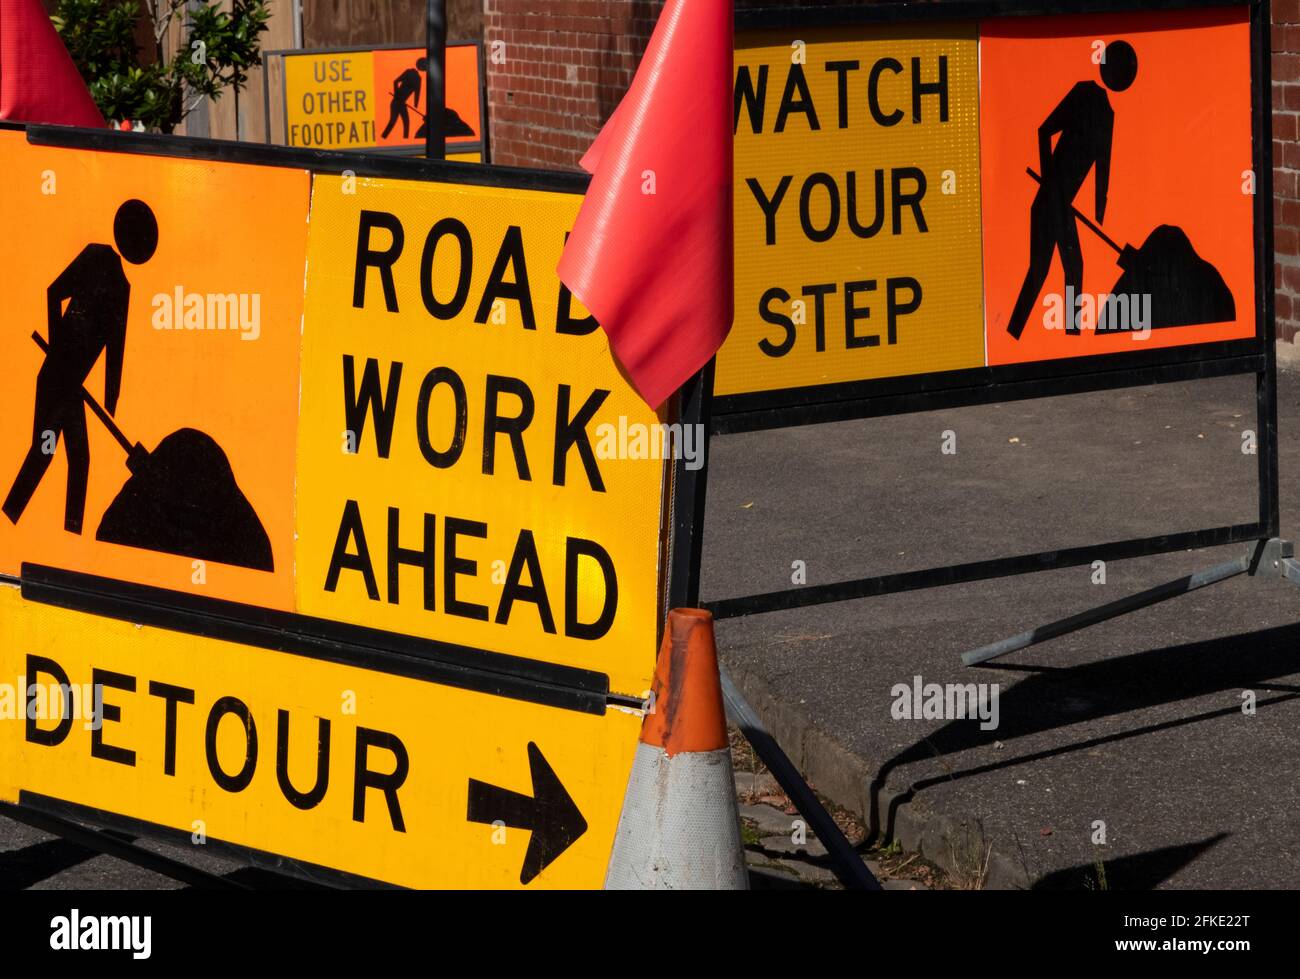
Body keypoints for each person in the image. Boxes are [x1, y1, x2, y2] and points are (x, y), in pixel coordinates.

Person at [3, 199, 158, 534]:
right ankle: (10, 517)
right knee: (45, 450)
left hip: (70, 389)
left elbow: (116, 351)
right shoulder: (95, 257)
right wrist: (58, 350)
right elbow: (53, 292)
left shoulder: (122, 289)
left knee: (79, 460)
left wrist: (111, 401)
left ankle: (70, 536)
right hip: (56, 382)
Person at [1006, 40, 1138, 339]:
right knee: (1043, 271)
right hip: (1048, 201)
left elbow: (1102, 171)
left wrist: (1100, 212)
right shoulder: (1083, 93)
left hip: (1060, 204)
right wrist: (1050, 178)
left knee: (1069, 270)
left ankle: (1066, 336)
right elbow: (1044, 131)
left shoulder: (1108, 116)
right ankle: (1031, 333)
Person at [382, 58, 426, 140]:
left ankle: (405, 140)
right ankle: (384, 137)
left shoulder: (418, 79)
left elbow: (417, 94)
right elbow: (395, 81)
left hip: (402, 103)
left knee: (406, 123)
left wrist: (415, 105)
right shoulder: (409, 72)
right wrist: (396, 95)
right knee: (393, 121)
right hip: (396, 102)